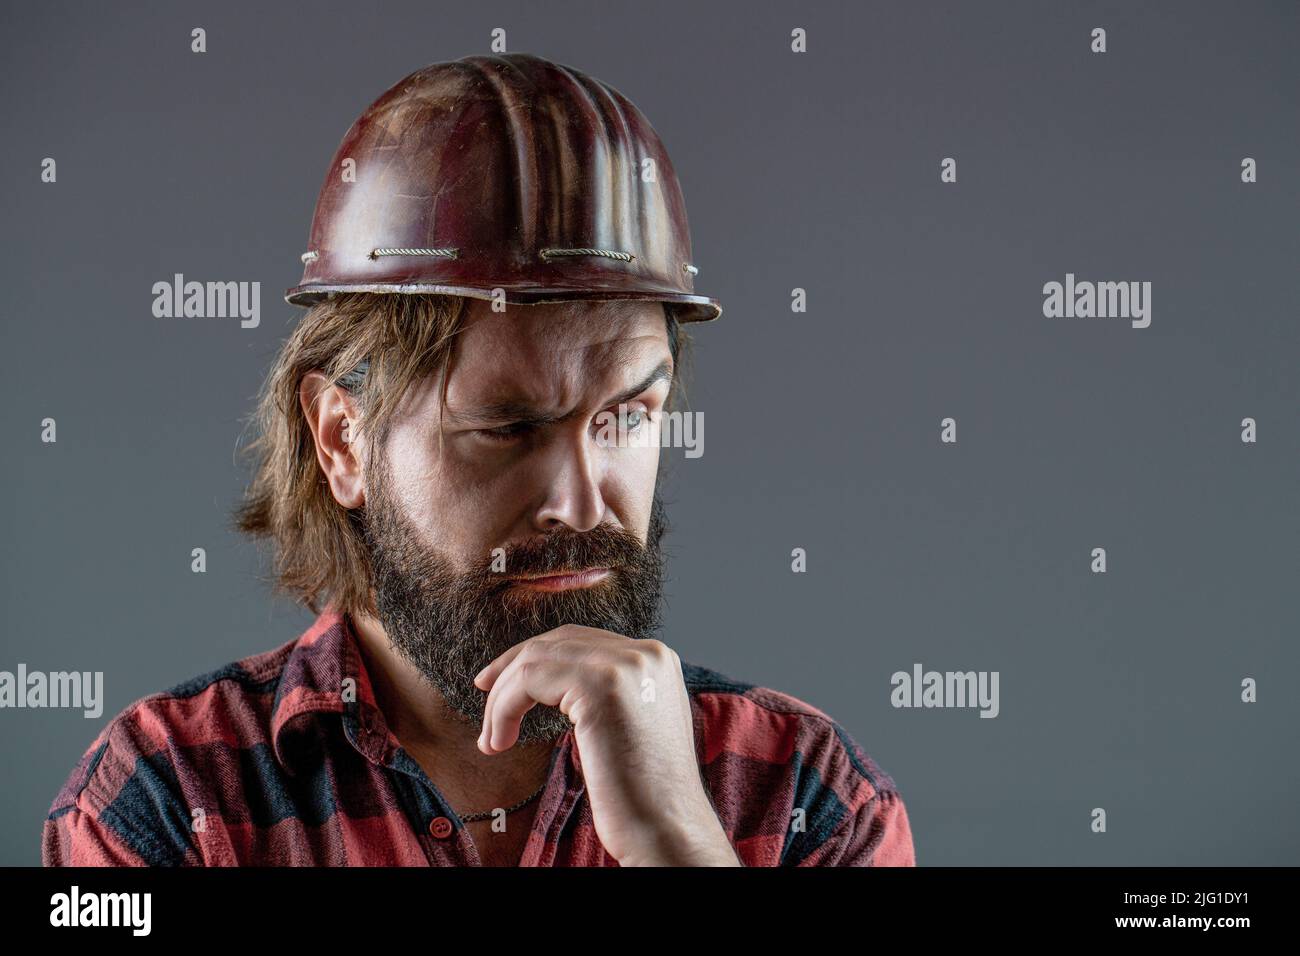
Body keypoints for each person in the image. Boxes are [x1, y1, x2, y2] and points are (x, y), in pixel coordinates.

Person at [42, 53, 915, 867]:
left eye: (624, 418)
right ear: (343, 440)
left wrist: (680, 842)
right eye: (507, 428)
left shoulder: (810, 797)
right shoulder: (160, 800)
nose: (579, 505)